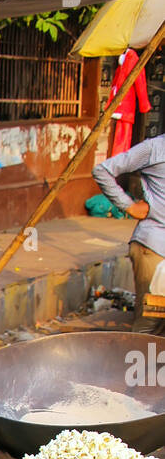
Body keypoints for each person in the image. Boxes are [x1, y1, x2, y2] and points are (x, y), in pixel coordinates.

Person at [92, 132, 165, 334]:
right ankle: (134, 363)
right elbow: (102, 170)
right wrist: (128, 206)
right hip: (155, 246)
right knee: (151, 319)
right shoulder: (154, 148)